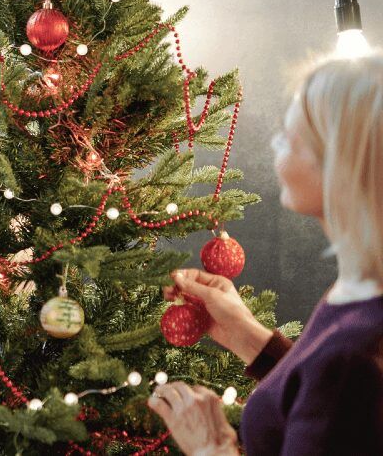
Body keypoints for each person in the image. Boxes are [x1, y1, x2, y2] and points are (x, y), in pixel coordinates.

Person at [148, 54, 383, 455]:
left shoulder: (357, 353)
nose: (274, 143)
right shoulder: (360, 288)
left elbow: (337, 390)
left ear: (341, 161)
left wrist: (212, 449)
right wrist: (248, 337)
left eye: (289, 135)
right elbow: (322, 406)